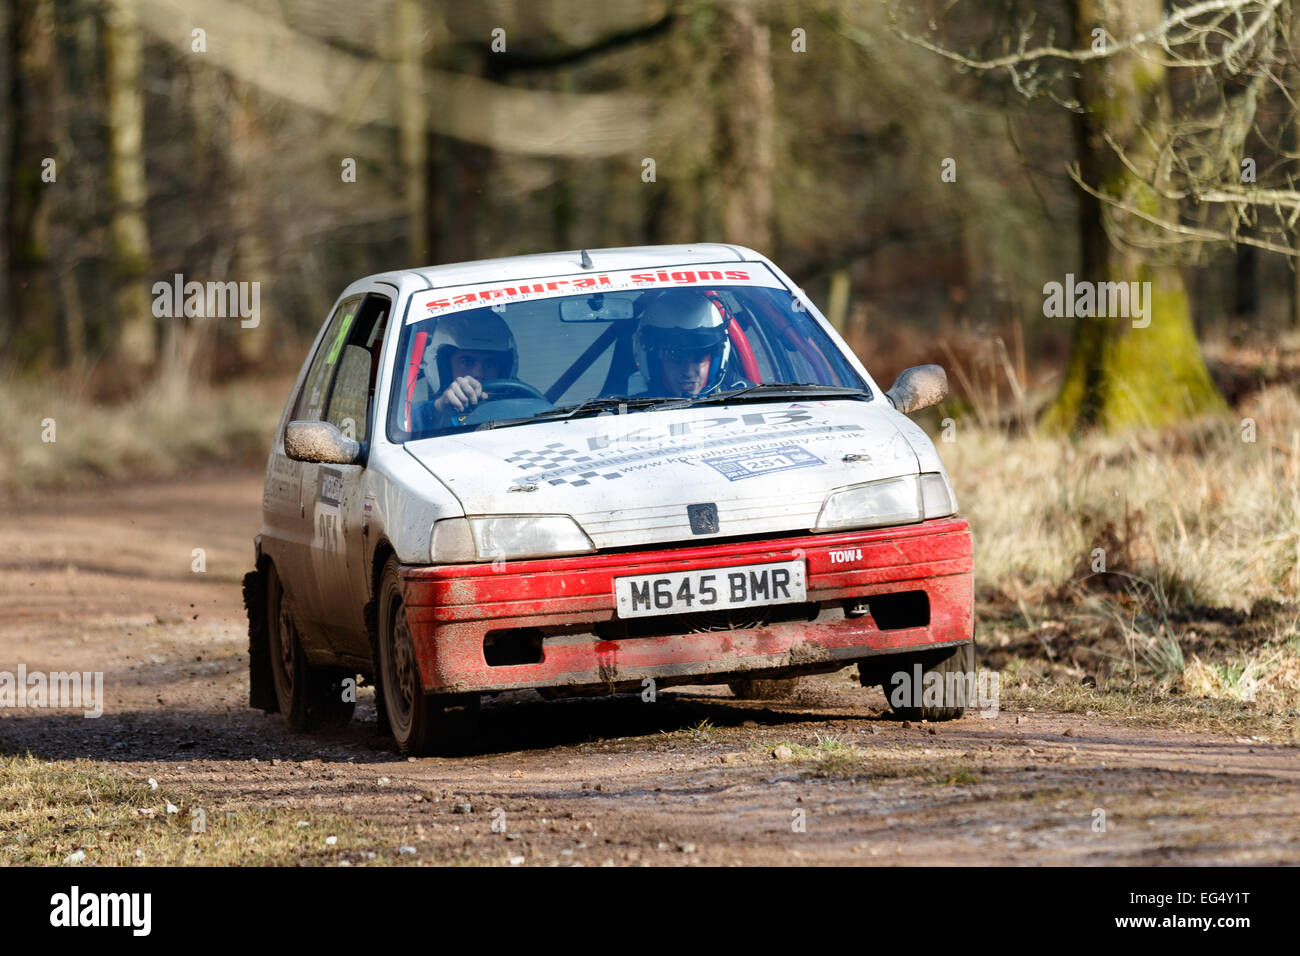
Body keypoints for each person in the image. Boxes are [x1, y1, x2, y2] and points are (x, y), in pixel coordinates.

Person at [632, 289, 743, 398]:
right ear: (653, 361)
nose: (688, 373)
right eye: (675, 357)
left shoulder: (747, 400)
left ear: (717, 360)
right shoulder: (627, 411)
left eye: (699, 358)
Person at [417, 309, 519, 426]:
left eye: (490, 363)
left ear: (503, 369)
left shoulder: (524, 407)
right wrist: (437, 410)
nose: (479, 373)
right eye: (467, 362)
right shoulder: (418, 418)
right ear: (444, 367)